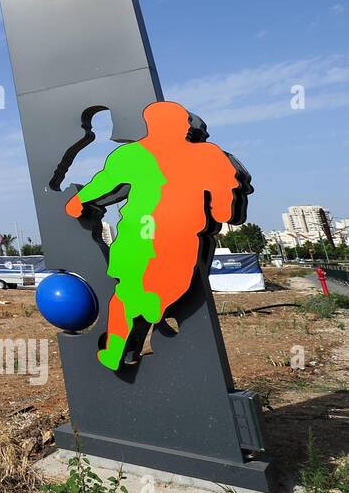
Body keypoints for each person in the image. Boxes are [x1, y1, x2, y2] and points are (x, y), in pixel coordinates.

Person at [65, 101, 249, 371]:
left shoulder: (132, 154)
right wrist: (219, 208)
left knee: (129, 297)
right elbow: (225, 200)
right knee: (151, 293)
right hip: (176, 239)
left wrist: (77, 202)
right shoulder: (207, 156)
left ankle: (119, 349)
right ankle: (125, 347)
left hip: (141, 236)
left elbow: (102, 184)